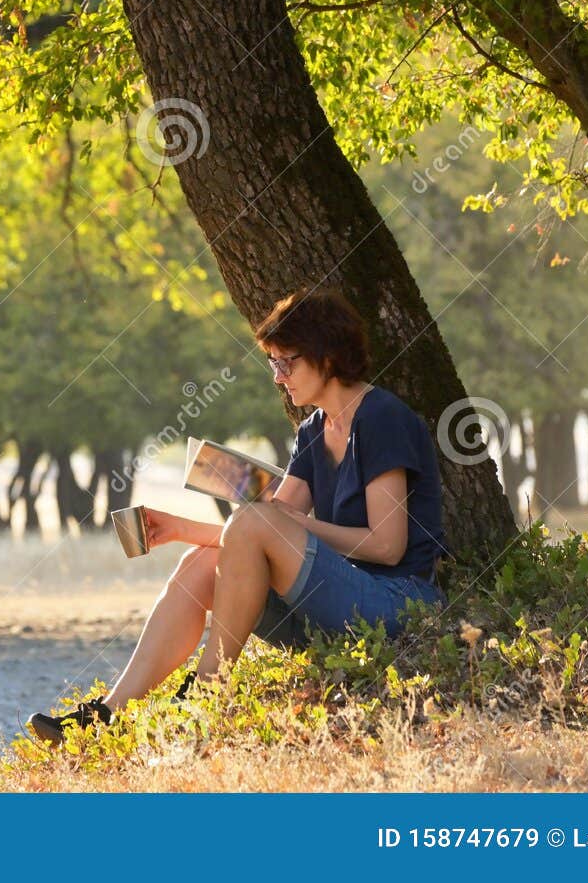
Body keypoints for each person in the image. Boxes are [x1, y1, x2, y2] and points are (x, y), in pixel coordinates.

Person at [28, 288, 447, 744]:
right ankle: (108, 715)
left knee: (255, 520)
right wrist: (178, 529)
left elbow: (388, 546)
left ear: (327, 355)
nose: (278, 378)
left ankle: (208, 694)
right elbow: (259, 536)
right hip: (335, 605)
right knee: (200, 564)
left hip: (396, 604)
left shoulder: (380, 418)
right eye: (273, 364)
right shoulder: (314, 430)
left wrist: (294, 522)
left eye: (287, 362)